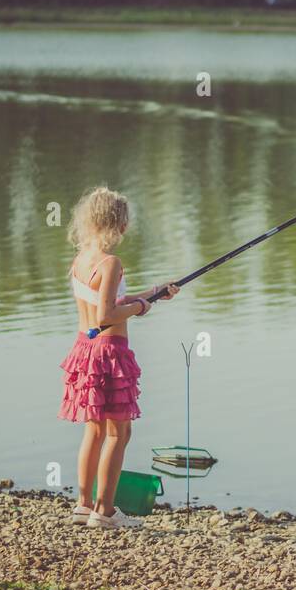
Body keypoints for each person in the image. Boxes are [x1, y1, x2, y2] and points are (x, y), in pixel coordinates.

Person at [59, 186, 180, 529]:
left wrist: (154, 293)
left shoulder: (82, 259)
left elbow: (105, 302)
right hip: (109, 353)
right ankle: (105, 512)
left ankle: (84, 505)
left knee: (94, 432)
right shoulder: (111, 262)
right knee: (117, 434)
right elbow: (107, 316)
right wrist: (142, 307)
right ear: (120, 225)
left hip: (84, 349)